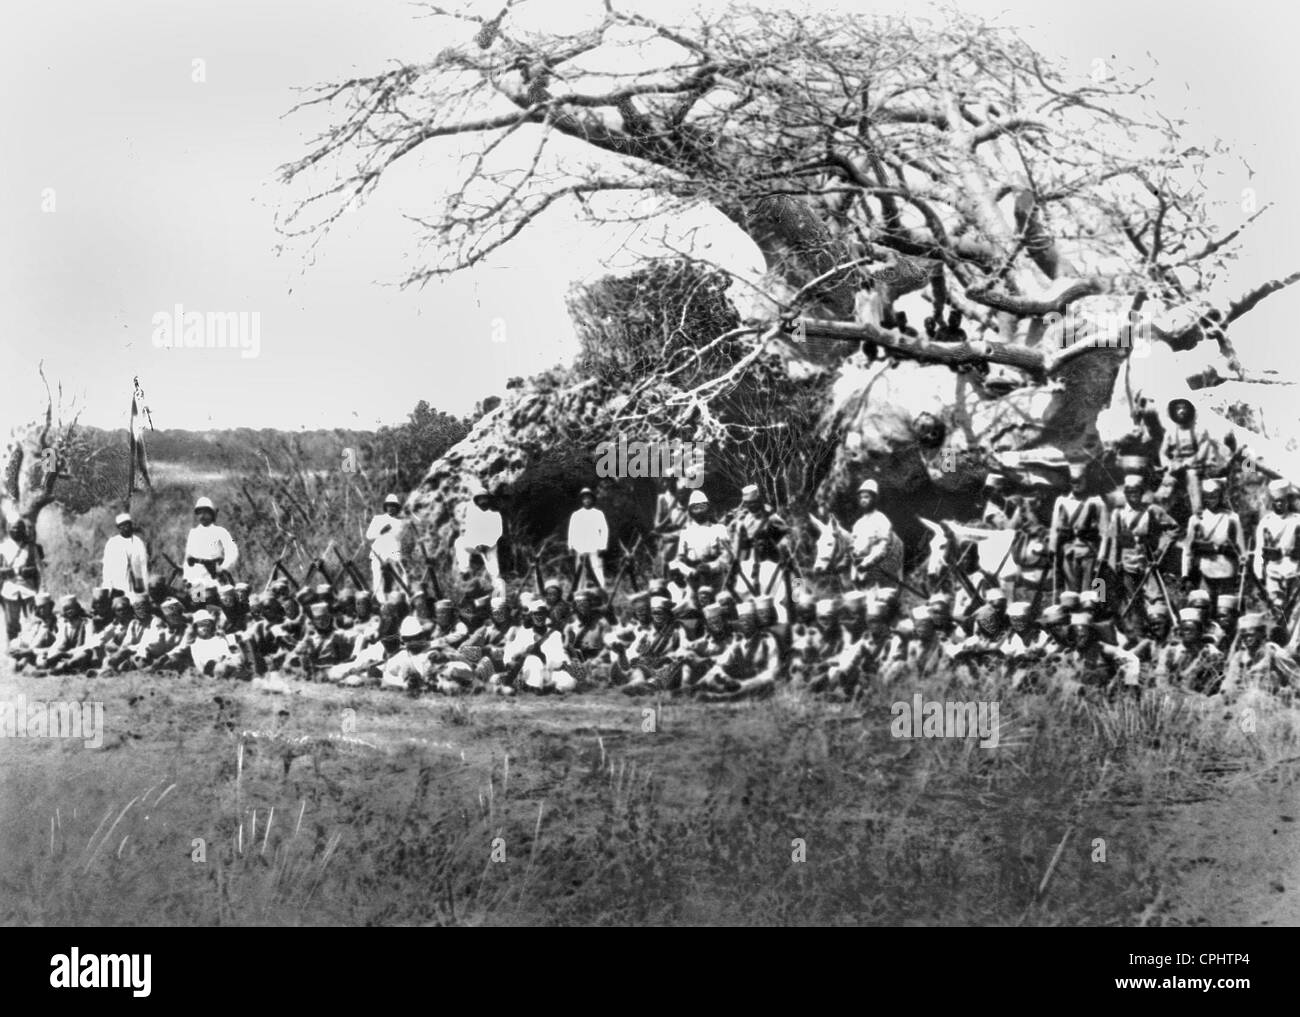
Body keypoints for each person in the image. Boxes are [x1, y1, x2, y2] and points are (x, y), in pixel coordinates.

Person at [1100, 474, 1178, 610]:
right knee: (1131, 598)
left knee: (1155, 596)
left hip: (1147, 558)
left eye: (1136, 491)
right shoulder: (1118, 513)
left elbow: (1174, 528)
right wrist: (1114, 563)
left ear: (1142, 492)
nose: (1133, 494)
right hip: (1126, 561)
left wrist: (1160, 549)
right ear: (1125, 493)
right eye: (1129, 491)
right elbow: (1112, 540)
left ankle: (1157, 620)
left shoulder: (1152, 510)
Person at [731, 483, 792, 614]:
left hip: (771, 557)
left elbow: (786, 537)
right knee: (742, 592)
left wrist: (782, 549)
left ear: (759, 500)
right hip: (751, 561)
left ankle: (794, 599)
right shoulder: (744, 519)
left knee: (788, 585)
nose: (750, 506)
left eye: (753, 503)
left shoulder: (772, 518)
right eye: (747, 503)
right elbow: (741, 545)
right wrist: (738, 561)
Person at [1181, 478, 1246, 602]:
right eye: (1208, 496)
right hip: (1204, 569)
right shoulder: (1196, 519)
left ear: (1220, 496)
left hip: (1227, 569)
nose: (1211, 500)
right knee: (1203, 607)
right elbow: (1187, 550)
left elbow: (1241, 547)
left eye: (1214, 496)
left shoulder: (1232, 517)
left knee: (1226, 610)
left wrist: (1243, 565)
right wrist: (1185, 574)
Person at [1049, 463, 1108, 593]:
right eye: (1073, 481)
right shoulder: (1062, 501)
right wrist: (1052, 550)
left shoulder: (1096, 502)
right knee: (1070, 593)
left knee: (1092, 591)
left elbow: (1104, 532)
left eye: (1079, 480)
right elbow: (1054, 529)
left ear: (1086, 480)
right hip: (1068, 552)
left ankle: (1092, 612)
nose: (1076, 484)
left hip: (1089, 552)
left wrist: (1102, 555)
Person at [1160, 397, 1219, 515]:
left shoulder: (1200, 430)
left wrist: (1186, 464)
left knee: (1192, 477)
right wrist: (1168, 465)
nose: (1181, 411)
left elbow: (1202, 452)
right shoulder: (1171, 432)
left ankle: (1197, 514)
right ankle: (1163, 519)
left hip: (1196, 466)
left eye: (1184, 408)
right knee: (1165, 485)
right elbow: (1162, 452)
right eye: (1178, 408)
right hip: (1176, 467)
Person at [672, 490, 732, 592]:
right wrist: (689, 571)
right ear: (690, 511)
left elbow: (728, 555)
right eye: (695, 508)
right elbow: (679, 560)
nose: (699, 511)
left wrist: (711, 566)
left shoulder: (719, 529)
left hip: (717, 580)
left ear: (708, 509)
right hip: (694, 580)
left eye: (702, 507)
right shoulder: (685, 533)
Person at [1254, 479, 1299, 605]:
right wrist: (1259, 574)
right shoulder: (1266, 522)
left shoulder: (1297, 521)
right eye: (1276, 501)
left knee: (1294, 613)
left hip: (1294, 572)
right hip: (1273, 572)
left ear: (1288, 501)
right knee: (1276, 610)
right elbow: (1259, 550)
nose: (1279, 504)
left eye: (1282, 500)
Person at [183, 497, 239, 592]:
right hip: (197, 581)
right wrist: (187, 578)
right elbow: (188, 559)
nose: (202, 516)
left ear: (211, 514)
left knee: (218, 604)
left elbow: (233, 551)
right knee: (199, 604)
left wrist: (223, 567)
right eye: (200, 513)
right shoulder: (193, 533)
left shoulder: (221, 531)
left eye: (205, 512)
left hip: (216, 578)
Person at [1, 518, 43, 641]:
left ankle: (31, 648)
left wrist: (41, 590)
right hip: (9, 590)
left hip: (28, 589)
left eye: (19, 528)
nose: (16, 530)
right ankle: (13, 650)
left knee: (34, 621)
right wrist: (5, 572)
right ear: (8, 529)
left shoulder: (31, 547)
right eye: (13, 527)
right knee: (11, 624)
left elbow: (40, 570)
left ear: (24, 530)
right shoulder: (3, 547)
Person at [850, 479, 897, 589]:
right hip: (858, 572)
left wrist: (867, 563)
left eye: (866, 497)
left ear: (874, 498)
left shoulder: (881, 520)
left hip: (877, 569)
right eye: (861, 497)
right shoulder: (858, 523)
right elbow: (853, 546)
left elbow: (883, 547)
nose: (863, 500)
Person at [454, 483, 502, 586]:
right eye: (480, 499)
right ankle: (464, 571)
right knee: (460, 542)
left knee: (494, 570)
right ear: (477, 501)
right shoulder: (473, 515)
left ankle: (497, 585)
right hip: (476, 545)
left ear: (488, 500)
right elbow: (469, 532)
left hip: (489, 546)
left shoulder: (495, 514)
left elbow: (497, 532)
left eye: (485, 499)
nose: (483, 502)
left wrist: (486, 544)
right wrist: (476, 544)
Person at [567, 487, 609, 590]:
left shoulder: (598, 514)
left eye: (588, 498)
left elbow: (604, 530)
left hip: (595, 547)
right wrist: (570, 546)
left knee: (597, 568)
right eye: (584, 498)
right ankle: (580, 592)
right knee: (580, 571)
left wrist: (603, 546)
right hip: (580, 547)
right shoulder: (576, 515)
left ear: (592, 499)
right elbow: (571, 531)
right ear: (581, 500)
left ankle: (601, 590)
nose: (587, 500)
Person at [366, 494, 410, 595]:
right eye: (388, 505)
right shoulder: (378, 519)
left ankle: (403, 599)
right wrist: (381, 531)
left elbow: (399, 536)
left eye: (393, 505)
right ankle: (379, 600)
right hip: (378, 551)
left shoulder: (401, 522)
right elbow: (369, 535)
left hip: (393, 551)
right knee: (378, 577)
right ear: (385, 506)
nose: (390, 508)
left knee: (399, 576)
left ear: (397, 507)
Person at [101, 512, 149, 599]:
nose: (125, 528)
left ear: (131, 525)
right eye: (121, 526)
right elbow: (107, 567)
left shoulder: (138, 542)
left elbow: (143, 566)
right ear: (118, 528)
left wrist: (145, 587)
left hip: (136, 584)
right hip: (118, 585)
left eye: (127, 524)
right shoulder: (112, 543)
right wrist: (107, 587)